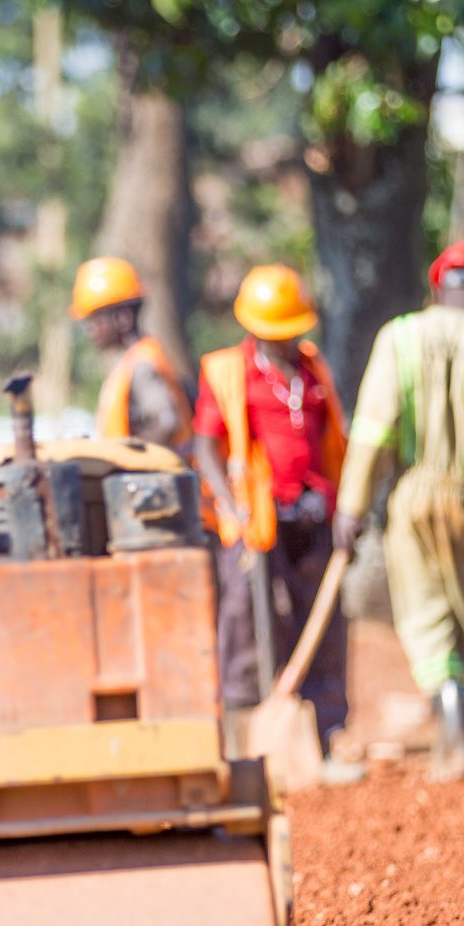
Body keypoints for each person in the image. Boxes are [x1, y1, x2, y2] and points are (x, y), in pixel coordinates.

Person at [332, 240, 464, 781]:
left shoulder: (398, 337)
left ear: (437, 287)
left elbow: (373, 431)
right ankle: (456, 732)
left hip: (411, 498)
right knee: (458, 622)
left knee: (425, 620)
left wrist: (351, 508)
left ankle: (453, 732)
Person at [193, 264, 349, 753]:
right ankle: (246, 727)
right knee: (246, 617)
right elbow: (205, 446)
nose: (286, 341)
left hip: (310, 512)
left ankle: (326, 730)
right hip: (257, 518)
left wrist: (335, 504)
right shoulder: (229, 372)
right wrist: (230, 509)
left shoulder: (311, 370)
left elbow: (329, 441)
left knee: (322, 624)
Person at [76, 257, 193, 452]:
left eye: (96, 320)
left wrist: (122, 453)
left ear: (123, 318)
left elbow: (167, 424)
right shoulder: (134, 361)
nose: (90, 330)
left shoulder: (142, 365)